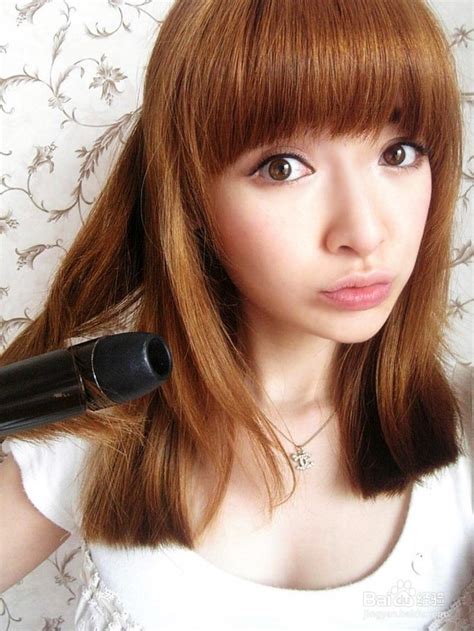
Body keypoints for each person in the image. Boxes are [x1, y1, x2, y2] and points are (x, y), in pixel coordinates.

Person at [0, 0, 471, 628]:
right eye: (283, 168)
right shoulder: (104, 434)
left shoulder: (465, 427)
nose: (364, 232)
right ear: (192, 200)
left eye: (399, 153)